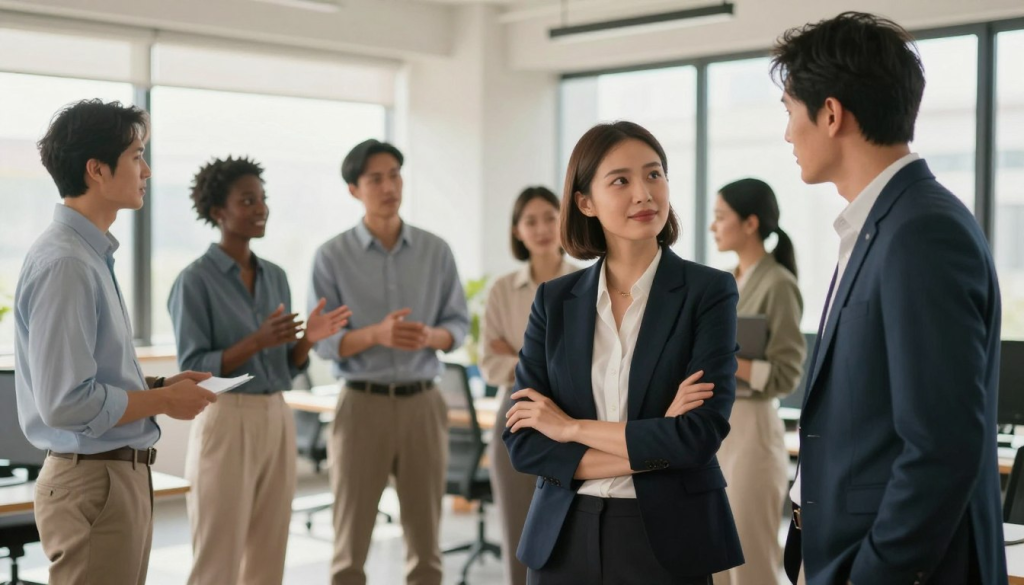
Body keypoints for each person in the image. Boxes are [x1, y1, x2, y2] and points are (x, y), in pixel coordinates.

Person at [773, 12, 1006, 585]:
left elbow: (941, 445)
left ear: (830, 114)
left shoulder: (922, 231)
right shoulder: (880, 224)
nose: (785, 135)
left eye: (788, 113)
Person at [503, 121, 744, 584]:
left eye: (655, 175)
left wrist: (570, 428)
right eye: (621, 180)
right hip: (562, 536)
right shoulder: (555, 301)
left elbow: (697, 436)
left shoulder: (708, 292)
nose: (644, 193)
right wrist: (656, 443)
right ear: (585, 202)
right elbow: (526, 442)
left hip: (667, 539)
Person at [14, 99, 217, 585]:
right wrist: (164, 399)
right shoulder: (67, 264)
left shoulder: (87, 255)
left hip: (110, 478)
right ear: (96, 170)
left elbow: (91, 376)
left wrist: (161, 385)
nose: (145, 170)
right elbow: (66, 403)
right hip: (93, 480)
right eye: (136, 156)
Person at [168, 156, 351, 585]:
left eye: (263, 199)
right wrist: (257, 339)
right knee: (218, 554)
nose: (261, 208)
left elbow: (285, 367)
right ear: (219, 212)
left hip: (276, 414)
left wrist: (309, 339)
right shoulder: (194, 281)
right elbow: (193, 369)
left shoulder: (276, 277)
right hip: (226, 418)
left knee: (270, 551)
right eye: (248, 200)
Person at [310, 139, 470, 585]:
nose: (388, 186)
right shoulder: (331, 256)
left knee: (426, 546)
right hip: (362, 406)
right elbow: (323, 343)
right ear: (353, 190)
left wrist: (432, 336)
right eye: (375, 178)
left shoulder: (436, 251)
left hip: (424, 404)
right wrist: (376, 335)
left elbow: (458, 323)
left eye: (395, 174)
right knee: (350, 545)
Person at [479, 186, 578, 585]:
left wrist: (519, 356)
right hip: (516, 415)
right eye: (530, 221)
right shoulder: (503, 289)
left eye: (549, 218)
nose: (541, 229)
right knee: (519, 533)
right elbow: (489, 363)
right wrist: (543, 362)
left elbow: (585, 365)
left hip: (574, 415)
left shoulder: (587, 280)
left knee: (573, 535)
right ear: (517, 231)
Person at [709, 178, 806, 585]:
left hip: (753, 433)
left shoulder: (779, 283)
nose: (713, 227)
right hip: (716, 428)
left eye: (720, 217)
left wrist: (728, 361)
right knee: (716, 562)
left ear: (750, 223)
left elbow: (788, 374)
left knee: (751, 564)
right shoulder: (723, 282)